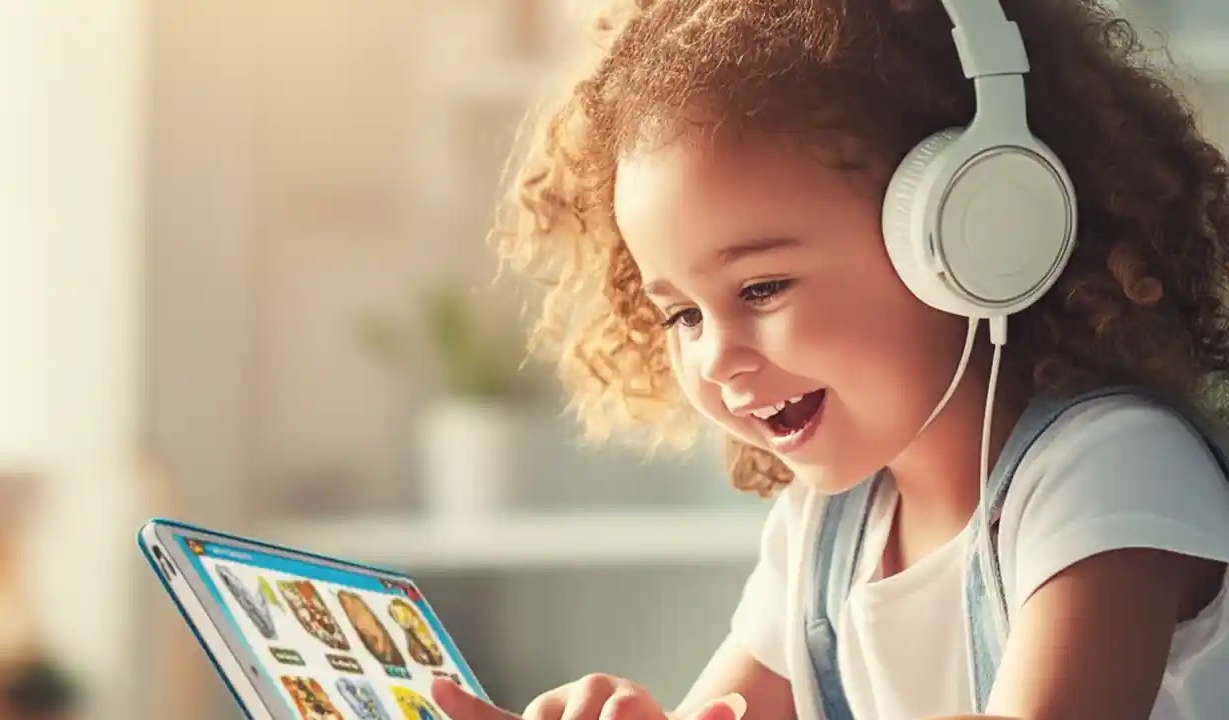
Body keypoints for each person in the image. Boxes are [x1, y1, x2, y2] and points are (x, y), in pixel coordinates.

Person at [432, 0, 1229, 718]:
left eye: (763, 287)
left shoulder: (1110, 469)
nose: (716, 359)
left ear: (969, 235)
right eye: (680, 313)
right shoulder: (825, 530)